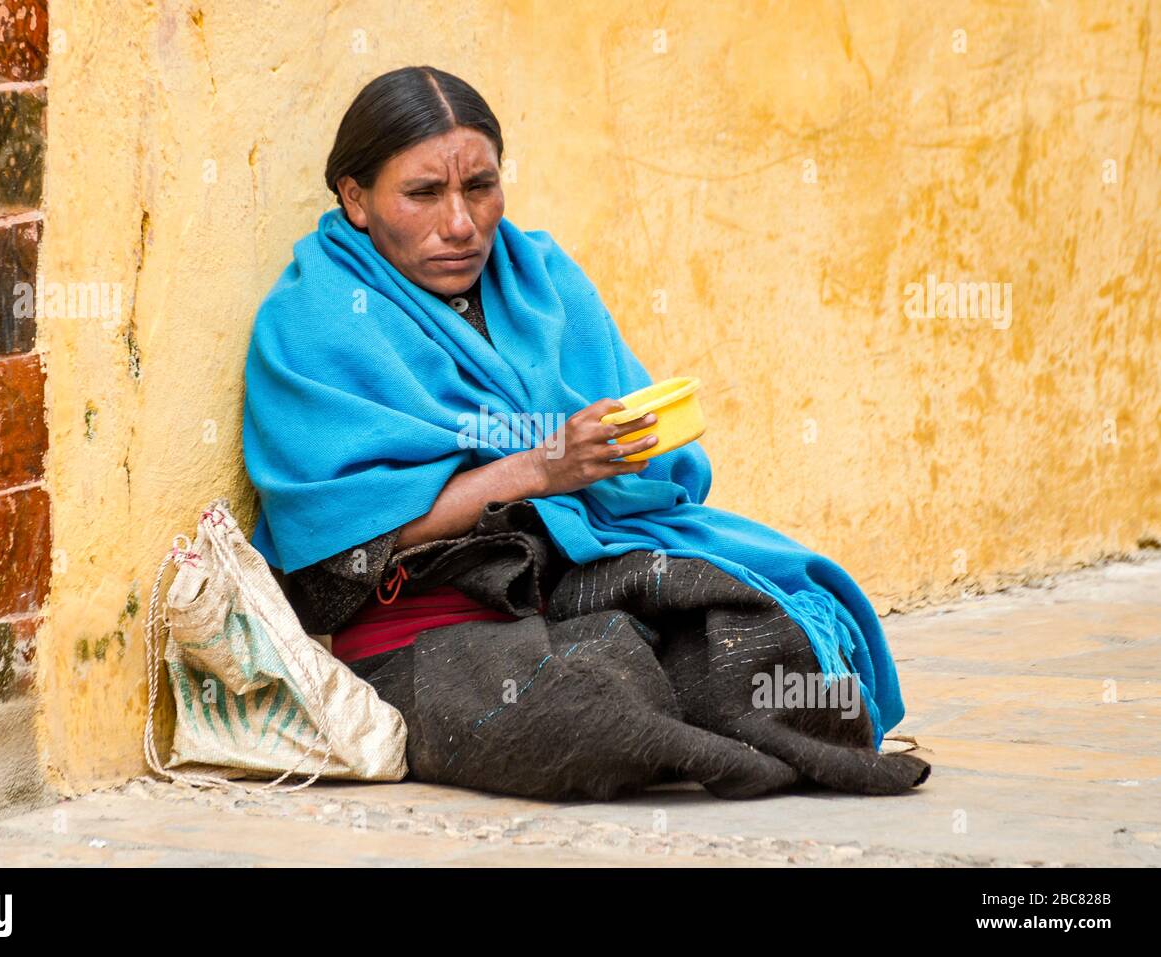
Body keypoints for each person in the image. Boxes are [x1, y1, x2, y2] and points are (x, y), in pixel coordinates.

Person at [242, 65, 929, 801]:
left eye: (480, 186)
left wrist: (620, 452)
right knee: (585, 701)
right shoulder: (312, 323)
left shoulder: (540, 276)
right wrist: (537, 470)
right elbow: (336, 547)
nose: (461, 224)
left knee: (761, 631)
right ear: (354, 198)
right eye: (423, 193)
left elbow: (659, 474)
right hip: (428, 631)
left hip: (583, 578)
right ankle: (741, 756)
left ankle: (737, 731)